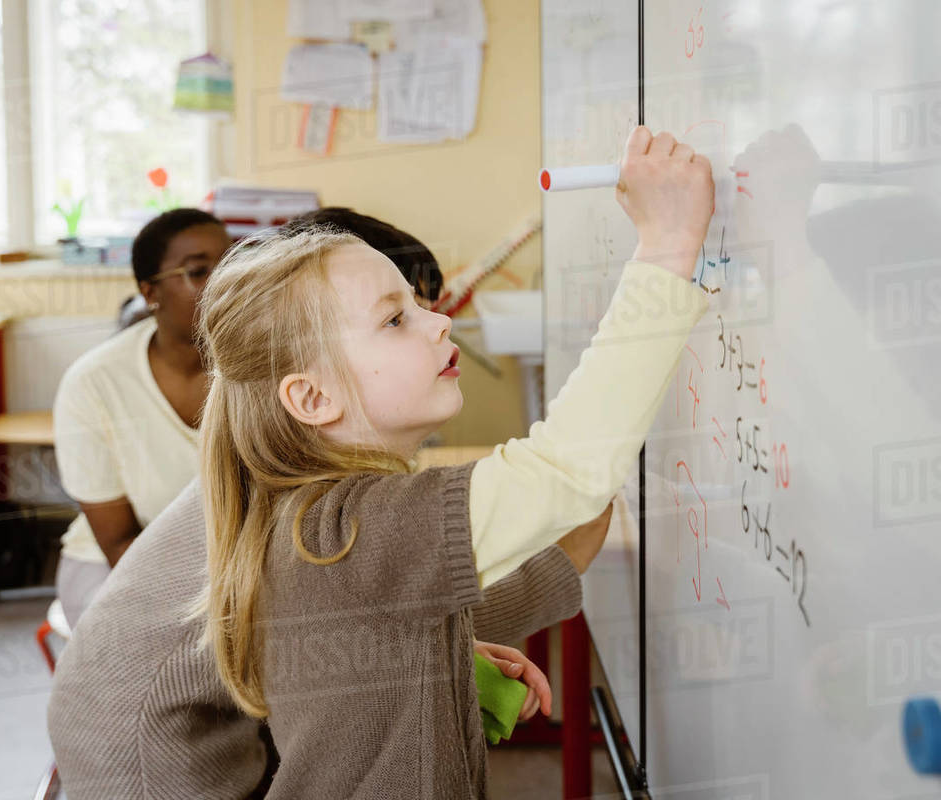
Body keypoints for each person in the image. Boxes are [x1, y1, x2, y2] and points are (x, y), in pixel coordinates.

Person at [195, 126, 714, 797]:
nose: (438, 323)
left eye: (418, 307)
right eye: (395, 320)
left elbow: (358, 644)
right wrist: (668, 247)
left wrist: (441, 660)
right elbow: (566, 469)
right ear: (312, 397)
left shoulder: (319, 516)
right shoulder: (353, 528)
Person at [47, 208, 613, 798]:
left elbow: (363, 614)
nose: (437, 325)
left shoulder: (295, 449)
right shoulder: (309, 495)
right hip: (143, 757)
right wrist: (560, 554)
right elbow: (375, 603)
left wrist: (458, 651)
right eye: (395, 317)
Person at [52, 208, 230, 628]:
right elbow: (117, 543)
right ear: (150, 292)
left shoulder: (261, 368)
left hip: (234, 563)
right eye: (199, 271)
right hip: (113, 565)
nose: (225, 284)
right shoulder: (94, 384)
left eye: (232, 264)